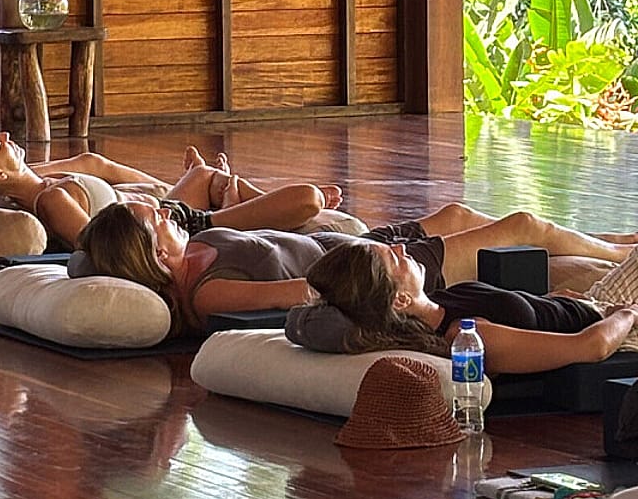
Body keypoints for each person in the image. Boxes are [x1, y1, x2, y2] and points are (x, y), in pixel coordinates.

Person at [77, 200, 638, 340]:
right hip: (366, 266)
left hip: (355, 242)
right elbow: (310, 289)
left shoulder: (196, 247)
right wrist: (382, 273)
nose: (164, 211)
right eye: (154, 219)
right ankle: (621, 258)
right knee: (522, 229)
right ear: (152, 256)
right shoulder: (207, 292)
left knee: (463, 216)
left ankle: (614, 246)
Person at [304, 220, 638, 374]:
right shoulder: (467, 336)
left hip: (595, 303)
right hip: (618, 328)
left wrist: (555, 301)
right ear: (400, 301)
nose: (402, 247)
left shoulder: (442, 303)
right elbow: (591, 347)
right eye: (395, 259)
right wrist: (628, 315)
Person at [0, 131, 342, 248]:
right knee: (308, 199)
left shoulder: (45, 187)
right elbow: (103, 245)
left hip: (166, 210)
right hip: (179, 226)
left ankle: (240, 199)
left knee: (205, 178)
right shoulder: (51, 199)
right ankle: (249, 208)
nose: (5, 135)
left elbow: (91, 165)